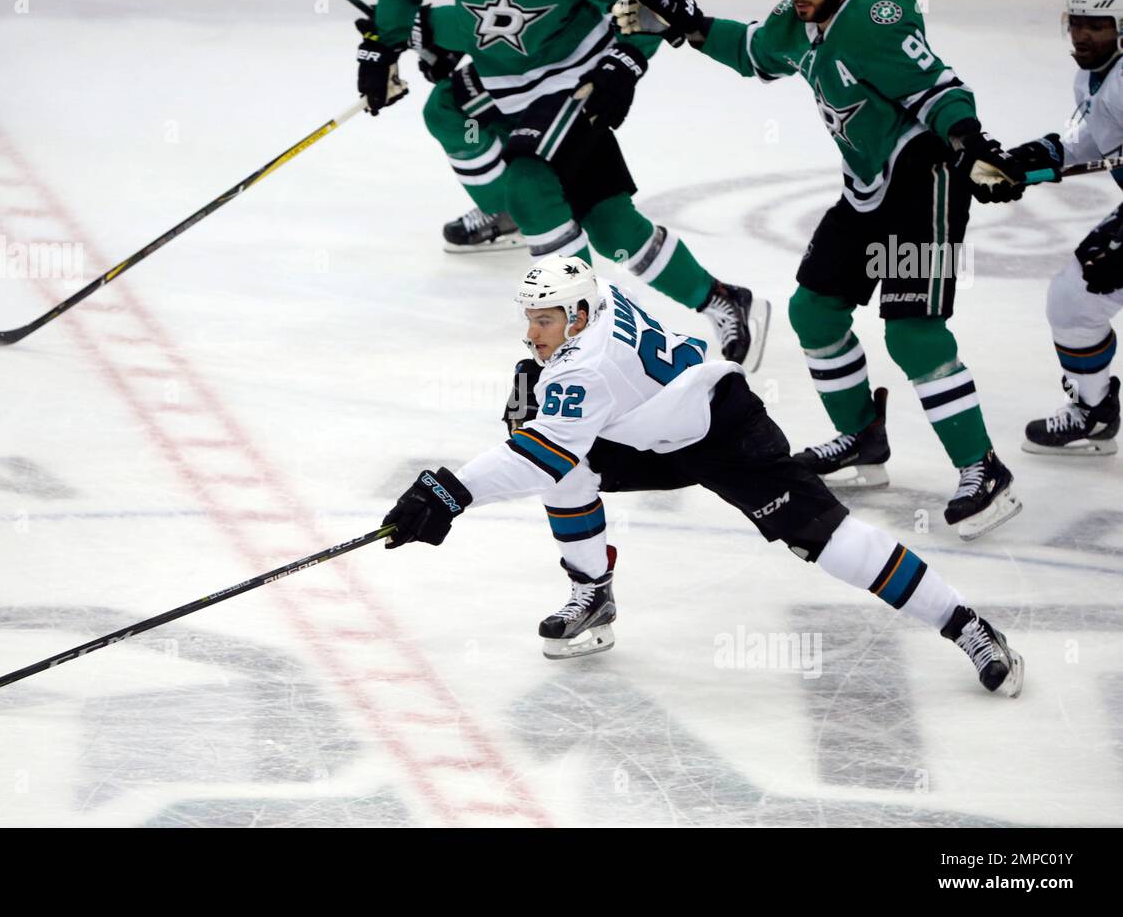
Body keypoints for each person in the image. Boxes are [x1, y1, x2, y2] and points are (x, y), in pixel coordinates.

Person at [380, 256, 1024, 697]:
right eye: (530, 318)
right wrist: (534, 401)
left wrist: (450, 491)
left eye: (543, 320)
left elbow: (537, 453)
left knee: (831, 543)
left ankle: (968, 625)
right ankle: (593, 592)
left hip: (726, 431)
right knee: (563, 461)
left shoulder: (583, 367)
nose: (531, 333)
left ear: (576, 316)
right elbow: (556, 438)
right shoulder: (595, 302)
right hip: (650, 430)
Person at [610, 0, 1027, 539]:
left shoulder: (878, 18)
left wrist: (970, 141)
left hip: (922, 180)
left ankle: (984, 470)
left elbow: (940, 89)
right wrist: (686, 25)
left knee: (913, 333)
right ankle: (862, 437)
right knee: (815, 311)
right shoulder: (795, 19)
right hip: (865, 188)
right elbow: (752, 50)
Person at [355, 0, 769, 370]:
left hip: (577, 77)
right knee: (451, 112)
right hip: (507, 79)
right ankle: (718, 297)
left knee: (533, 189)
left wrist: (627, 62)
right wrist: (390, 42)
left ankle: (587, 345)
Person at [987, 0, 1123, 455]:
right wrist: (1031, 158)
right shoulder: (1094, 76)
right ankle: (1095, 411)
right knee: (1074, 300)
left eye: (1098, 26)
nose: (1083, 35)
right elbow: (1088, 142)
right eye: (1078, 23)